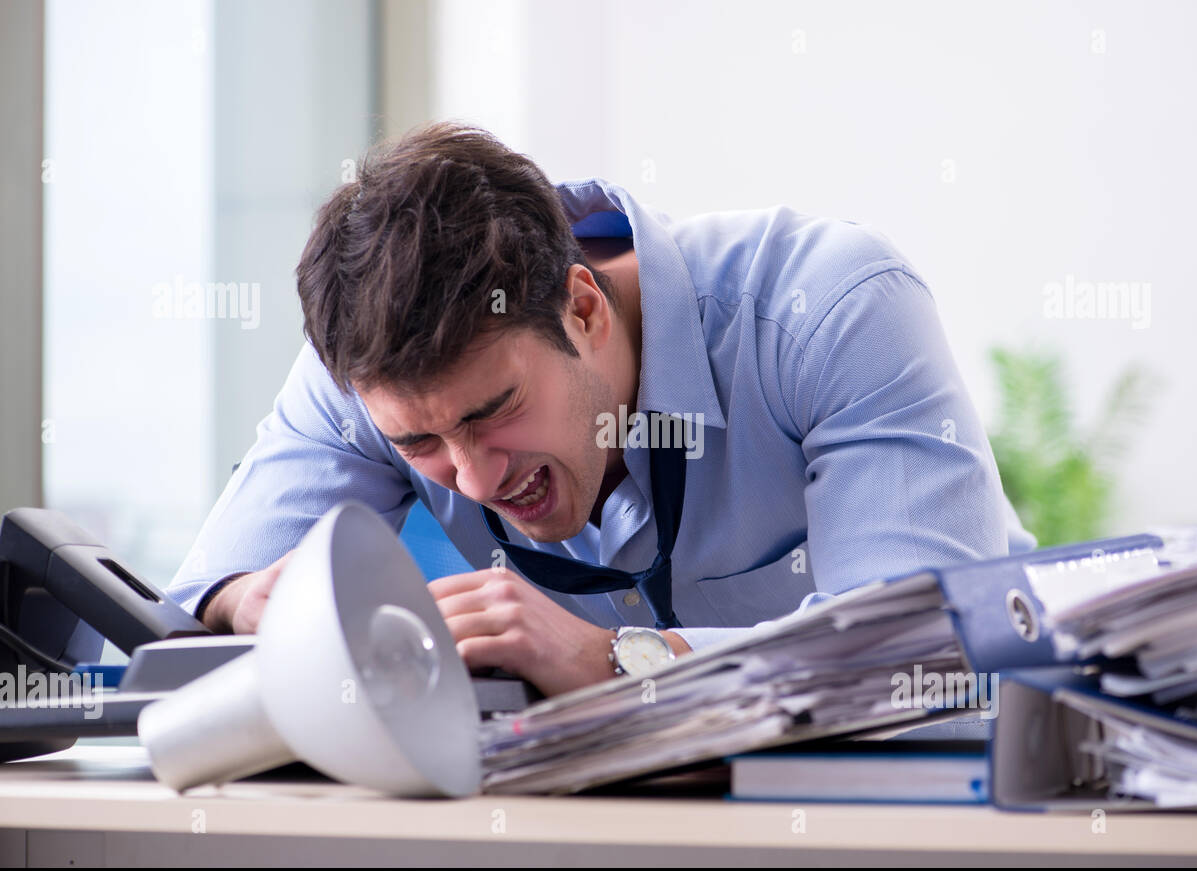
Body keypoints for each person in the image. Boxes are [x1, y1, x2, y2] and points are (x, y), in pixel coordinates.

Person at [166, 121, 1035, 697]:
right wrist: (250, 601)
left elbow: (929, 663)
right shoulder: (368, 370)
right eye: (420, 442)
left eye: (493, 411)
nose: (472, 478)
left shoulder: (835, 308)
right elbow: (196, 601)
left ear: (582, 306)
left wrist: (608, 661)